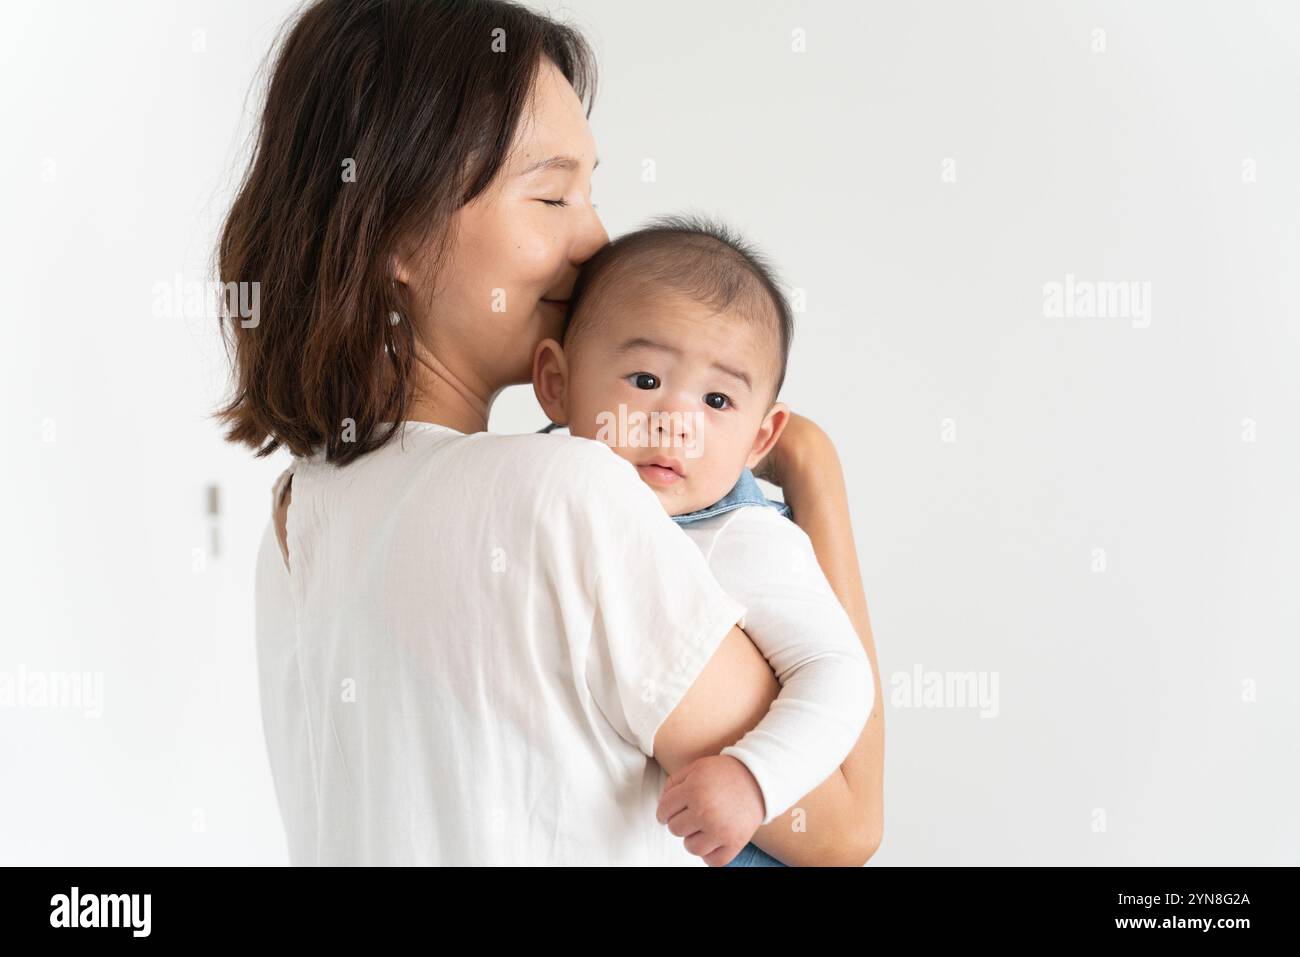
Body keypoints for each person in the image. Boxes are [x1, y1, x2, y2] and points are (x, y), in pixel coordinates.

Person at [219, 0, 884, 865]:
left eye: (590, 192)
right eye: (551, 194)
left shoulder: (296, 516)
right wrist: (815, 473)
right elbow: (845, 821)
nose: (596, 238)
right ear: (397, 231)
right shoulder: (566, 490)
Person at [531, 214, 876, 867]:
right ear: (557, 383)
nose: (676, 422)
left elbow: (837, 671)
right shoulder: (537, 491)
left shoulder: (737, 539)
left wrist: (754, 776)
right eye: (645, 381)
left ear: (760, 438)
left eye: (717, 401)